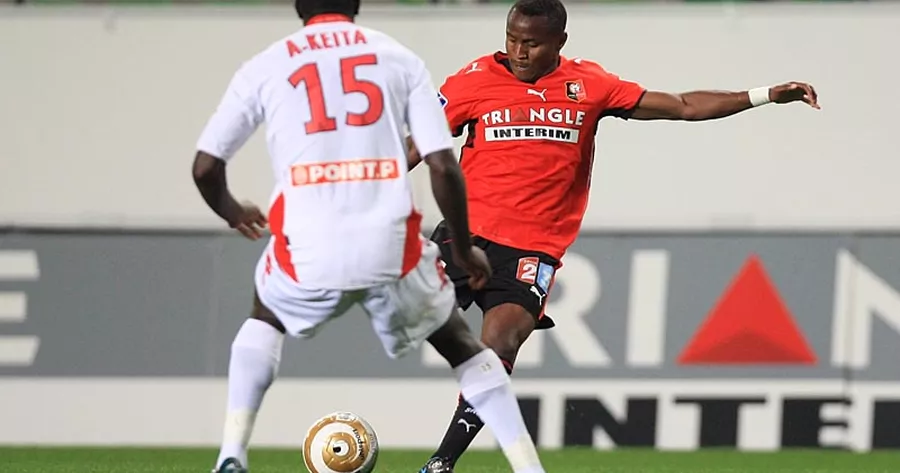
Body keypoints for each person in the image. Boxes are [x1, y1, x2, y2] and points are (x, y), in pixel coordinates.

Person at [410, 0, 820, 471]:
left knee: (500, 346)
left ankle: (440, 465)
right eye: (512, 38)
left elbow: (683, 106)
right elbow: (416, 147)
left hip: (532, 248)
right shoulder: (471, 81)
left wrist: (766, 94)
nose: (519, 51)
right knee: (398, 312)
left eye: (532, 43)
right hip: (465, 239)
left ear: (559, 42)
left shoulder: (590, 85)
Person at [191, 1, 550, 473]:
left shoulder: (267, 64)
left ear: (299, 7)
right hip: (389, 241)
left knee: (265, 318)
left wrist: (233, 210)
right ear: (356, 5)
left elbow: (205, 168)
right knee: (464, 347)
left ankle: (231, 455)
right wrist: (464, 249)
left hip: (306, 241)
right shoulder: (397, 58)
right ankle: (528, 468)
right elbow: (443, 165)